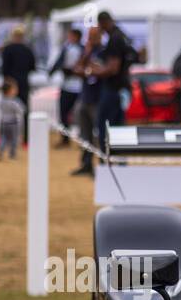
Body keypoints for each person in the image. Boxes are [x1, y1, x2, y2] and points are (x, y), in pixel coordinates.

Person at [89, 11, 133, 154]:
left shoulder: (115, 38)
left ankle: (107, 159)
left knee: (105, 127)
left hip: (113, 89)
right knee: (119, 127)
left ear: (102, 23)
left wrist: (93, 72)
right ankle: (119, 161)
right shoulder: (123, 36)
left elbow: (113, 68)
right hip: (122, 88)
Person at [71, 26, 103, 176]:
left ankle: (102, 164)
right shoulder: (87, 52)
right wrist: (87, 54)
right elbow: (77, 68)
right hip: (85, 98)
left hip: (98, 100)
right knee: (85, 134)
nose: (91, 39)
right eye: (89, 36)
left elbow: (100, 71)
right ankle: (86, 163)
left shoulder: (104, 52)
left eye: (94, 36)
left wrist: (89, 70)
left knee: (100, 134)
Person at [0, 25, 36, 143]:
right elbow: (33, 66)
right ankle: (26, 138)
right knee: (24, 111)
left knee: (6, 111)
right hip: (24, 83)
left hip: (10, 84)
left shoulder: (8, 49)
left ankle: (4, 138)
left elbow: (4, 68)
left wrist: (7, 80)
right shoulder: (28, 49)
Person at [49, 26, 83, 146]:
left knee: (75, 115)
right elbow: (59, 62)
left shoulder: (81, 49)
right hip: (69, 86)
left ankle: (77, 139)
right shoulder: (69, 48)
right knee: (65, 114)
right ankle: (66, 138)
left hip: (77, 87)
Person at [0, 77, 23, 160]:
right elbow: (21, 110)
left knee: (3, 138)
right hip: (13, 123)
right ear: (10, 91)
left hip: (3, 122)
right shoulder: (14, 101)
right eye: (14, 89)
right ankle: (12, 154)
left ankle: (0, 150)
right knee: (14, 139)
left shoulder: (1, 101)